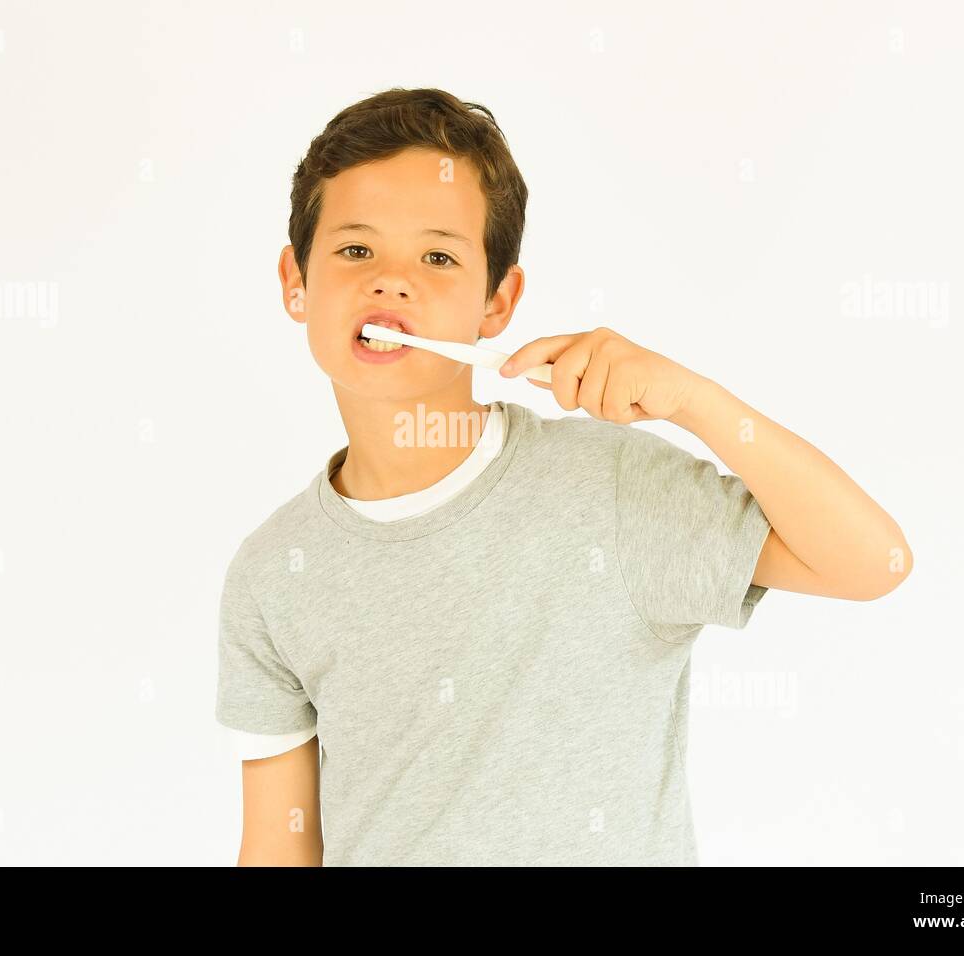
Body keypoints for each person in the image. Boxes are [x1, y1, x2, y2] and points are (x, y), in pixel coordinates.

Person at [216, 87, 913, 866]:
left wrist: (692, 401)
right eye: (355, 251)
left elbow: (872, 562)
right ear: (295, 280)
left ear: (498, 301)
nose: (391, 281)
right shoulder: (272, 572)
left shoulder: (610, 488)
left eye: (438, 257)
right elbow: (279, 845)